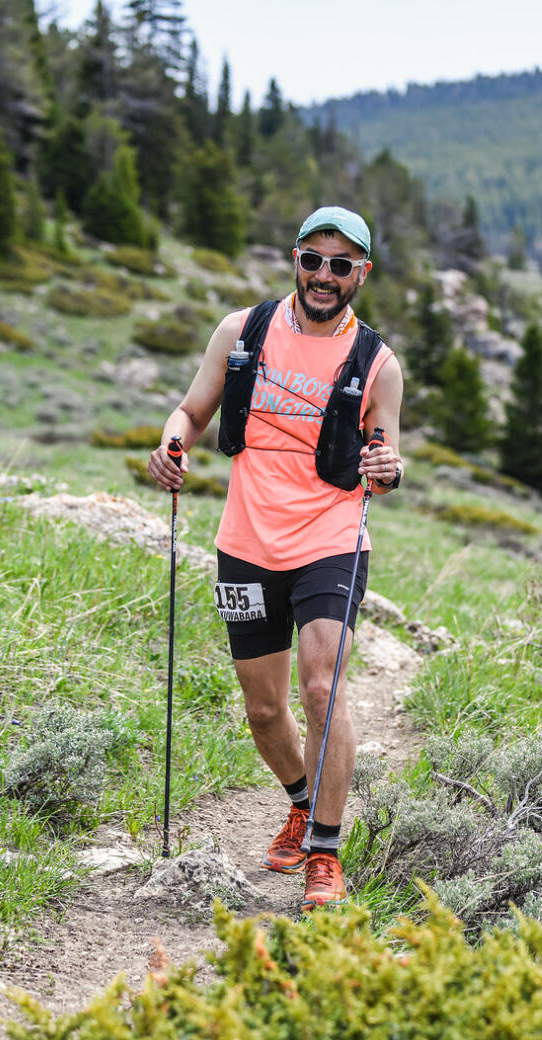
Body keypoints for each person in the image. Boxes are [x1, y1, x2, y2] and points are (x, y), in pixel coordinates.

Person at [147, 206, 404, 911]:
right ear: (295, 259)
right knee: (264, 710)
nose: (324, 275)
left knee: (322, 690)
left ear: (361, 275)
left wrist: (387, 469)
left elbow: (385, 460)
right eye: (313, 260)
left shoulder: (377, 364)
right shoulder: (242, 332)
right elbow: (190, 412)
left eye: (340, 265)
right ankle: (300, 800)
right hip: (246, 545)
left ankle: (325, 850)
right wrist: (171, 445)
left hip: (331, 540)